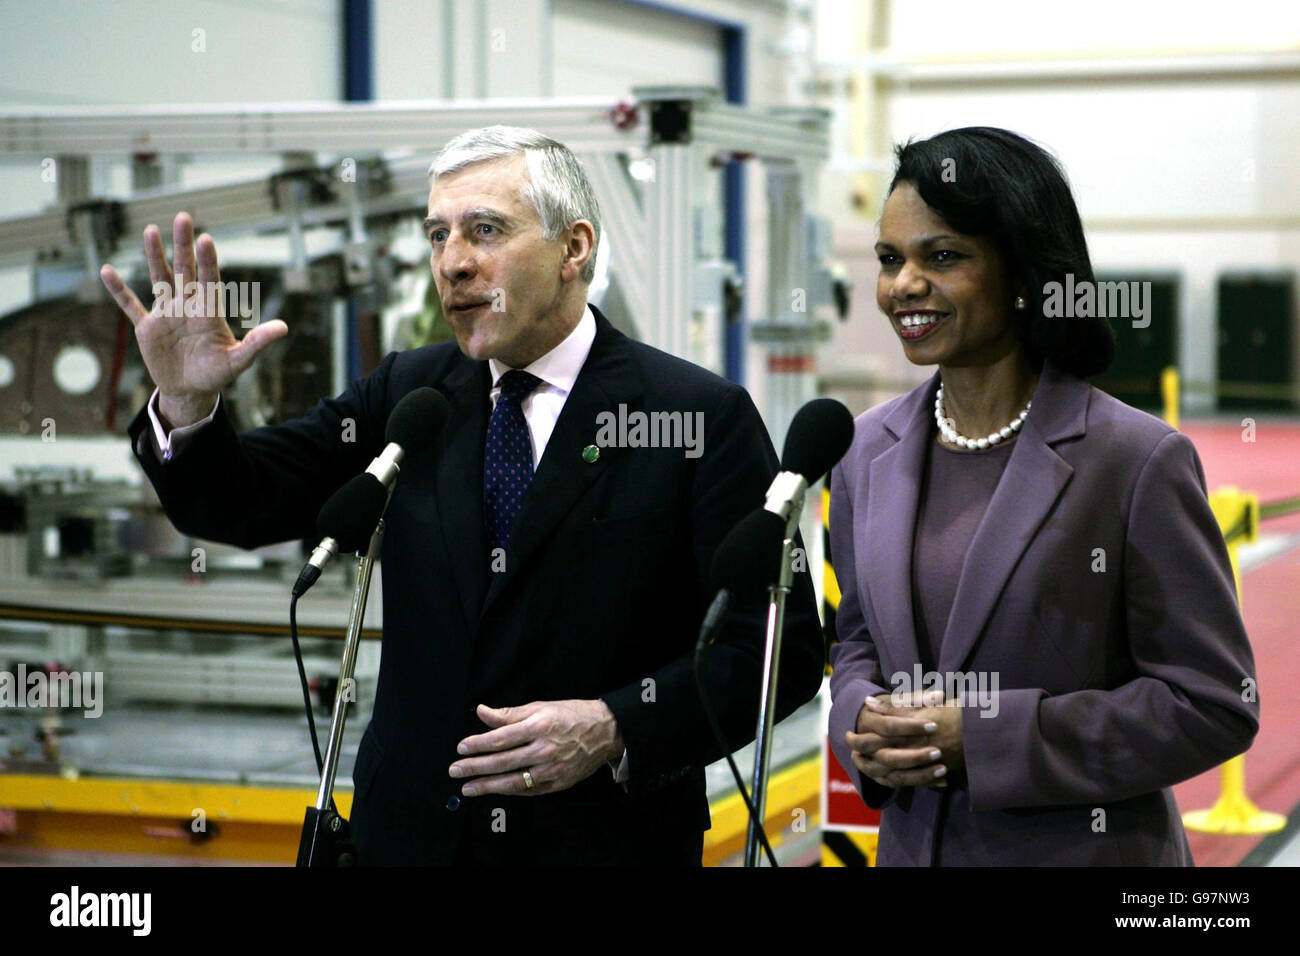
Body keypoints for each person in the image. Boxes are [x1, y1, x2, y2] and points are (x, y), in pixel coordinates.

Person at [100, 125, 824, 866]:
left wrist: (615, 725)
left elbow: (777, 648)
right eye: (437, 236)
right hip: (408, 839)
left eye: (485, 231)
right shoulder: (410, 393)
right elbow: (243, 500)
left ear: (574, 248)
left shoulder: (694, 416)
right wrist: (185, 406)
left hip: (598, 842)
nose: (452, 263)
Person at [826, 127, 1260, 866]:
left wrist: (991, 736)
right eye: (891, 260)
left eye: (944, 257)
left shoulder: (1135, 461)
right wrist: (859, 715)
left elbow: (1215, 702)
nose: (904, 285)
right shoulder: (865, 451)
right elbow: (859, 639)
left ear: (1025, 273)